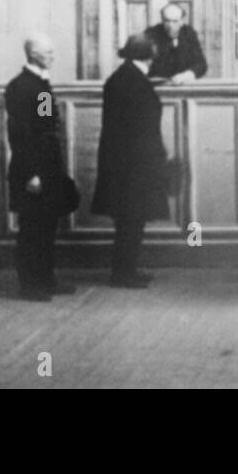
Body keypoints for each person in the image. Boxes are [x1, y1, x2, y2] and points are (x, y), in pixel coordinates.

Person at [91, 35, 170, 288]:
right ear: (148, 56)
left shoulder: (123, 77)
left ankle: (126, 269)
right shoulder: (133, 81)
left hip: (124, 163)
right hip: (133, 165)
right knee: (131, 219)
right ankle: (123, 274)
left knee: (130, 219)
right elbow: (141, 128)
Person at [5, 33, 79, 301]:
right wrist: (34, 173)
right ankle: (30, 286)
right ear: (34, 54)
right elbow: (23, 134)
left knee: (46, 226)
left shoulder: (39, 85)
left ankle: (46, 280)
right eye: (48, 52)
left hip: (45, 168)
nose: (53, 56)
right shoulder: (25, 87)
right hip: (32, 171)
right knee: (32, 230)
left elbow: (46, 127)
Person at [146, 3, 207, 83]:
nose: (170, 25)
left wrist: (186, 76)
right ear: (162, 20)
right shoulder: (151, 34)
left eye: (175, 21)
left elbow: (201, 64)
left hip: (182, 85)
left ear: (182, 21)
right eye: (167, 21)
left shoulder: (189, 34)